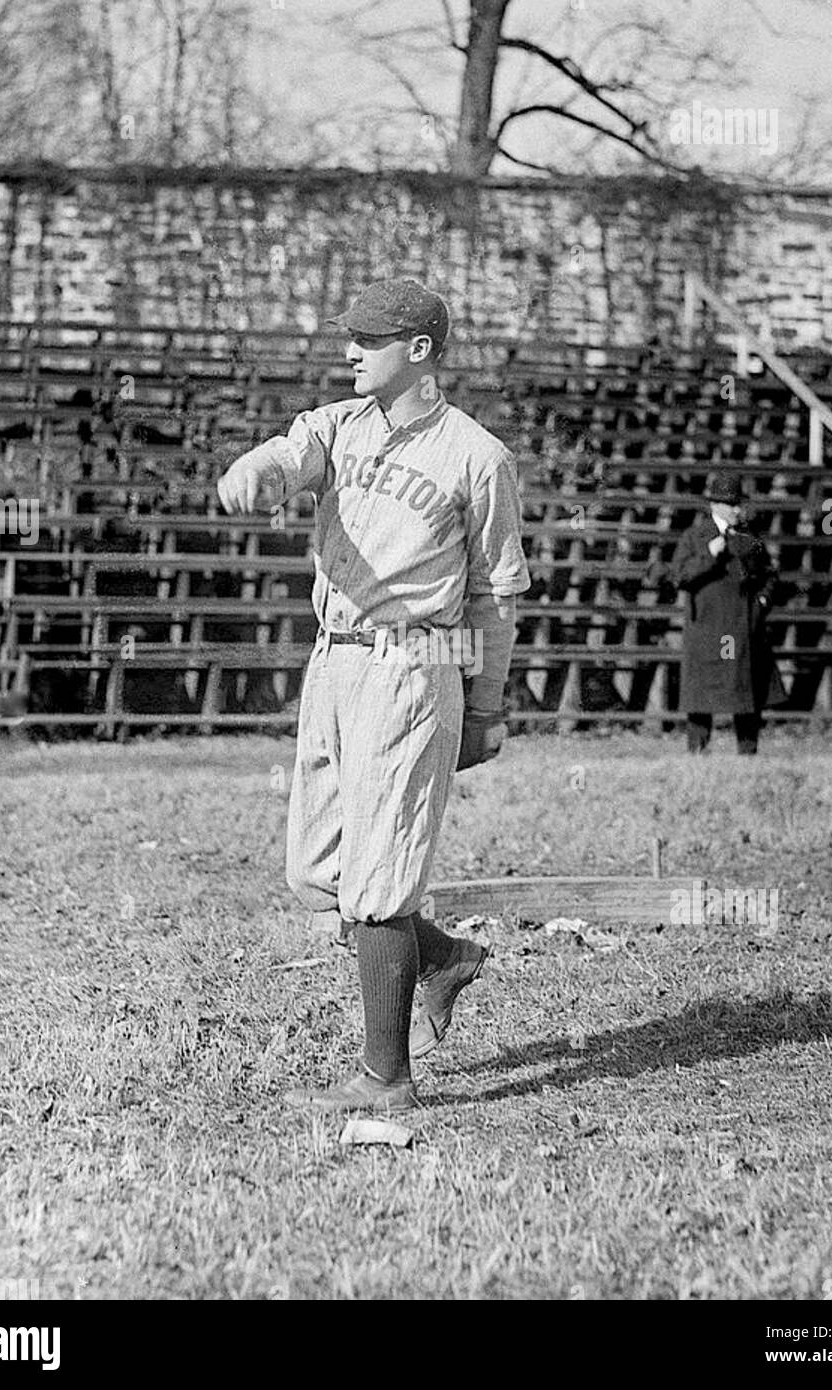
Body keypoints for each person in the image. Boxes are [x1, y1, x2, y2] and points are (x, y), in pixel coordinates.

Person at [217, 278, 530, 1112]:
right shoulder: (336, 424)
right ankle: (443, 957)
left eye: (367, 339)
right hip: (335, 660)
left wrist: (487, 703)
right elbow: (289, 455)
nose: (348, 352)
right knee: (314, 871)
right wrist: (256, 471)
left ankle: (384, 1077)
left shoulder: (476, 455)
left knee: (379, 875)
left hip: (413, 666)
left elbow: (495, 593)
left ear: (418, 351)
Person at [670, 471, 782, 755]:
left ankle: (747, 753)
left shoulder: (749, 538)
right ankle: (697, 752)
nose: (736, 509)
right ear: (714, 506)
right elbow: (680, 576)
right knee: (701, 694)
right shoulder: (695, 537)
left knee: (744, 691)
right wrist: (709, 554)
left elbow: (769, 575)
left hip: (741, 628)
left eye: (737, 503)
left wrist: (761, 604)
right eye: (730, 503)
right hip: (706, 627)